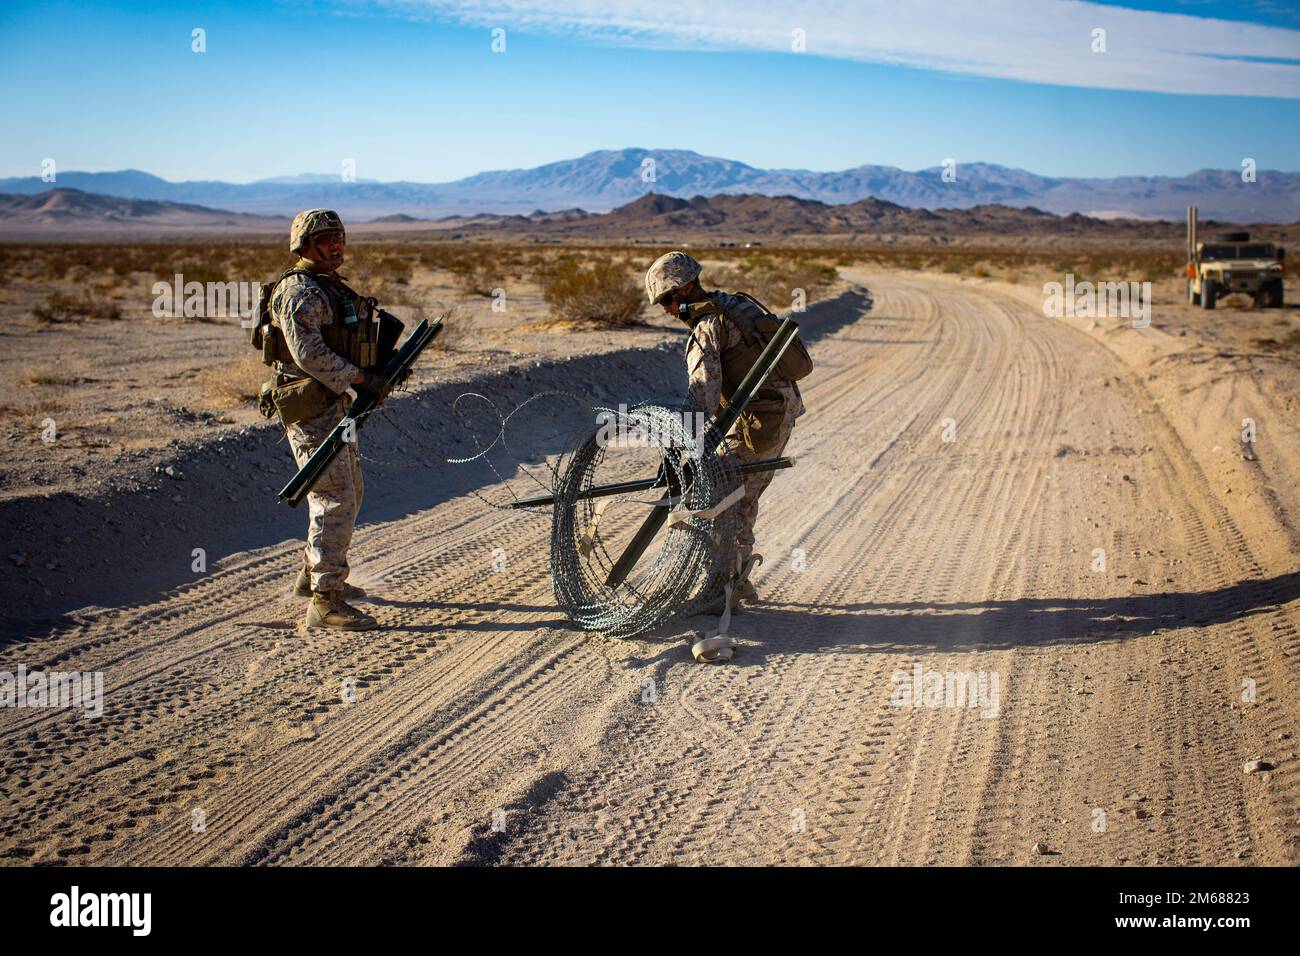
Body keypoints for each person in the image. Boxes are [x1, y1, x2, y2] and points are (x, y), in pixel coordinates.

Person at [644, 251, 806, 610]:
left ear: (686, 289)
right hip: (776, 411)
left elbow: (703, 393)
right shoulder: (737, 304)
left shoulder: (708, 326)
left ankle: (722, 589)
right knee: (739, 496)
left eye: (668, 300)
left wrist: (676, 449)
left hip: (760, 420)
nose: (666, 310)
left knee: (720, 498)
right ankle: (736, 580)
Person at [263, 209, 391, 630]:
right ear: (304, 245)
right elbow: (309, 355)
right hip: (311, 408)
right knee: (334, 499)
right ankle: (326, 600)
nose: (336, 246)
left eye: (340, 237)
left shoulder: (326, 286)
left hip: (333, 404)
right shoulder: (300, 292)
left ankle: (312, 576)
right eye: (325, 239)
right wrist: (360, 379)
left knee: (349, 489)